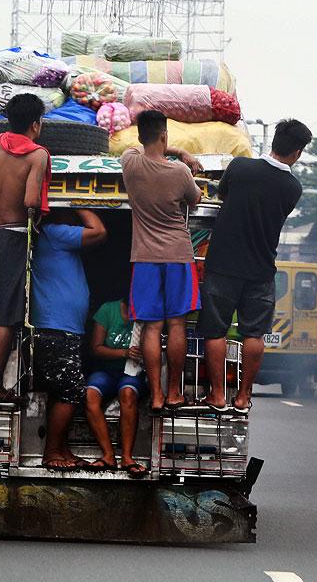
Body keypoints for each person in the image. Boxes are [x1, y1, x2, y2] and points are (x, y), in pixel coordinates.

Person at [198, 118, 309, 413]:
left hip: (223, 265)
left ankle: (218, 395)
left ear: (274, 141)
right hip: (261, 270)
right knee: (253, 334)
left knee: (215, 330)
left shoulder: (239, 167)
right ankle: (244, 397)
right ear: (297, 152)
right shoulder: (292, 188)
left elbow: (223, 195)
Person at [0, 93, 50, 403]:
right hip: (13, 236)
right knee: (6, 318)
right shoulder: (37, 155)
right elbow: (31, 200)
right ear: (35, 124)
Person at [120, 110, 204, 413]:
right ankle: (173, 393)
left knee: (152, 327)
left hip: (144, 257)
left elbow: (136, 148)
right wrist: (182, 153)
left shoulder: (129, 164)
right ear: (165, 135)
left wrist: (167, 148)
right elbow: (195, 199)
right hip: (178, 256)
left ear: (141, 136)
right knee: (177, 324)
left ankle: (154, 394)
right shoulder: (180, 172)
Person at [30, 209, 106, 470]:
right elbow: (99, 231)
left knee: (61, 390)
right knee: (72, 391)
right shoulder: (55, 232)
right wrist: (80, 204)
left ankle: (62, 448)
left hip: (63, 327)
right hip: (56, 327)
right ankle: (51, 452)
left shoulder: (55, 237)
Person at [85, 299, 147, 477]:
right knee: (90, 395)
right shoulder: (108, 309)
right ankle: (108, 456)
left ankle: (127, 458)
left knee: (127, 393)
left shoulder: (147, 310)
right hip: (106, 371)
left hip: (133, 373)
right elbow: (95, 349)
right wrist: (124, 353)